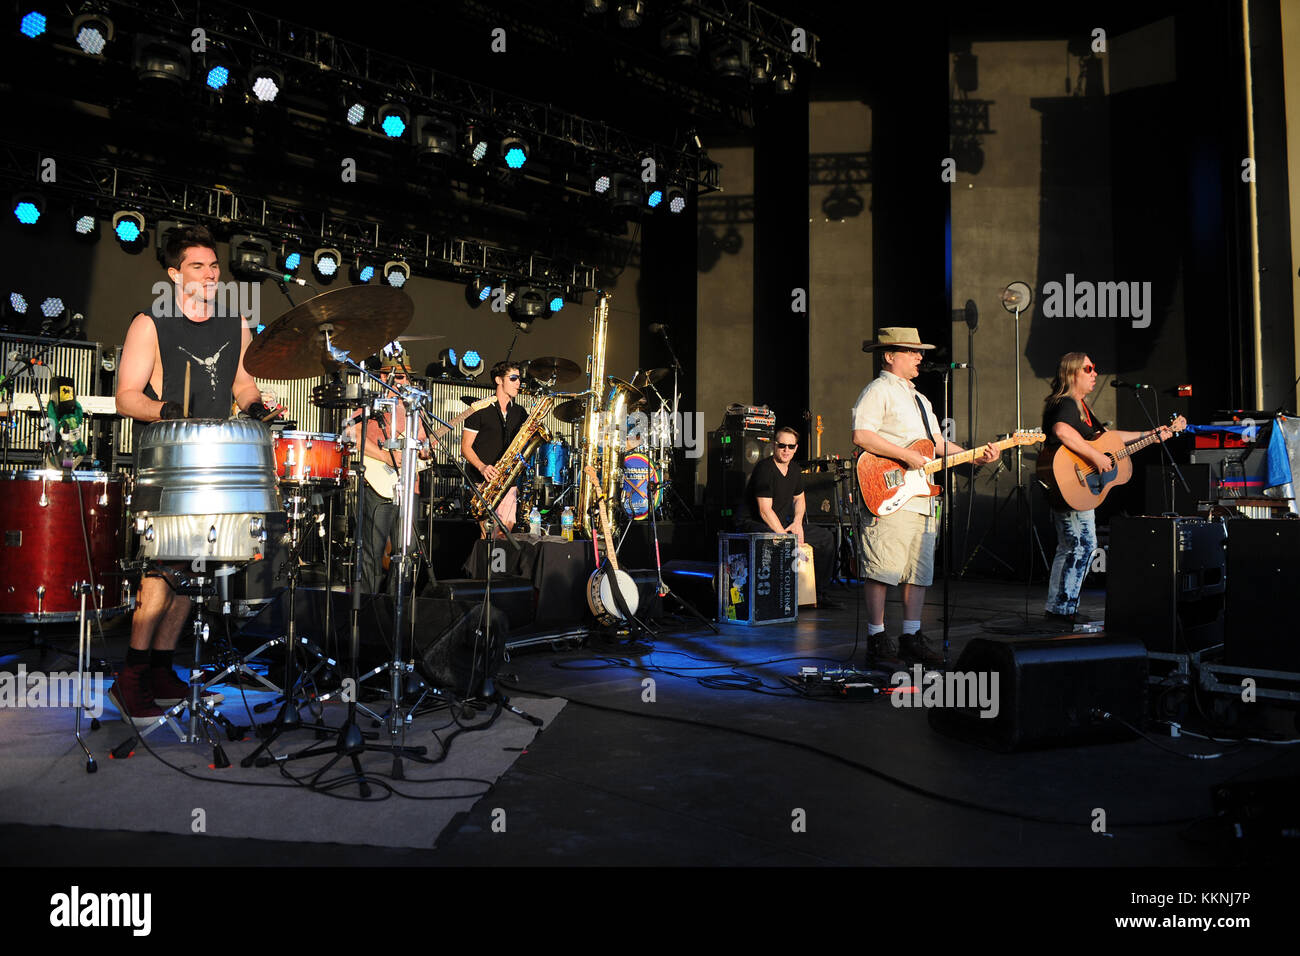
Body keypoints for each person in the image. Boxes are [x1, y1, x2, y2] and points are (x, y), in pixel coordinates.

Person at [113, 224, 278, 722]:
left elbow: (243, 382)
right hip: (168, 456)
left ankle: (163, 667)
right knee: (162, 571)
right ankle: (133, 673)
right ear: (173, 273)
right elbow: (126, 396)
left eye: (213, 266)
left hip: (215, 457)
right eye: (197, 266)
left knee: (198, 566)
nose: (209, 274)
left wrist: (256, 407)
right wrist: (168, 411)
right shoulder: (150, 322)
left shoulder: (235, 320)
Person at [852, 327, 998, 667]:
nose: (920, 357)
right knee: (883, 566)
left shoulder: (920, 398)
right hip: (889, 489)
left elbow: (935, 443)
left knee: (918, 570)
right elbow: (862, 435)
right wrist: (904, 456)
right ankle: (876, 638)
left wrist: (974, 454)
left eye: (920, 352)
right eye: (912, 351)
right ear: (890, 356)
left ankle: (911, 637)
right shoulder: (878, 390)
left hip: (920, 493)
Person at [1041, 352, 1172, 626]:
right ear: (1072, 373)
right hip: (1071, 481)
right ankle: (1061, 608)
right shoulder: (1065, 403)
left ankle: (1062, 606)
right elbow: (1063, 431)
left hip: (1082, 485)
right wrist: (1096, 457)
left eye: (1094, 368)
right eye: (1088, 368)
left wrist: (1149, 435)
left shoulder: (1082, 408)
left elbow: (1111, 439)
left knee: (1078, 546)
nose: (1094, 373)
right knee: (1078, 545)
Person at [350, 355, 430, 594]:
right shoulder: (370, 405)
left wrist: (426, 451)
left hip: (409, 487)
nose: (405, 382)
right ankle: (365, 607)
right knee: (371, 551)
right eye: (401, 377)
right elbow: (352, 434)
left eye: (408, 377)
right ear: (384, 377)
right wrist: (385, 456)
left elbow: (424, 444)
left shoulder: (415, 409)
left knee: (406, 550)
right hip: (379, 486)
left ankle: (396, 607)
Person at [739, 425, 839, 608]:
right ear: (774, 445)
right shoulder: (764, 469)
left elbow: (799, 499)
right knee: (775, 539)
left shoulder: (794, 470)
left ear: (796, 448)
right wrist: (787, 539)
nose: (786, 450)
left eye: (790, 446)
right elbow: (764, 511)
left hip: (781, 523)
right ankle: (774, 600)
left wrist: (797, 523)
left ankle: (819, 595)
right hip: (754, 523)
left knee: (825, 538)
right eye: (782, 445)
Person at [461, 360, 528, 536]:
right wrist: (482, 467)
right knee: (488, 535)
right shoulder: (479, 409)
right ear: (499, 380)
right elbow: (465, 448)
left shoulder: (520, 413)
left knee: (504, 534)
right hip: (483, 481)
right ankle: (486, 565)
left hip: (508, 481)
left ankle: (501, 565)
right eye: (513, 378)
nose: (518, 383)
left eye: (519, 379)